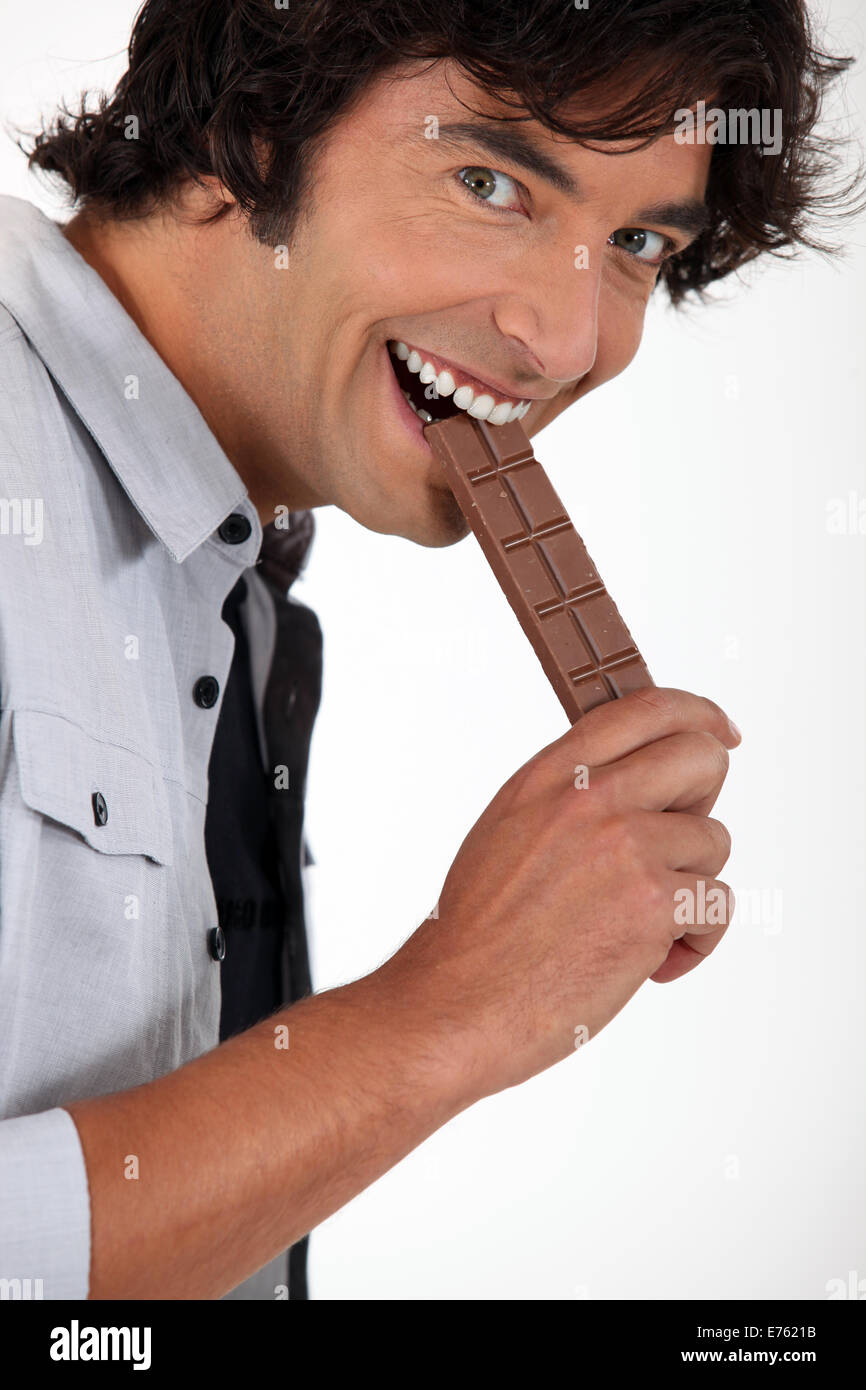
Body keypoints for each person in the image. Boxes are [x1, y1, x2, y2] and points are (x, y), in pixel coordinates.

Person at [0, 0, 858, 1300]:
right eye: (491, 181)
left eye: (632, 242)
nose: (569, 344)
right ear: (254, 125)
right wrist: (451, 1004)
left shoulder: (236, 575)